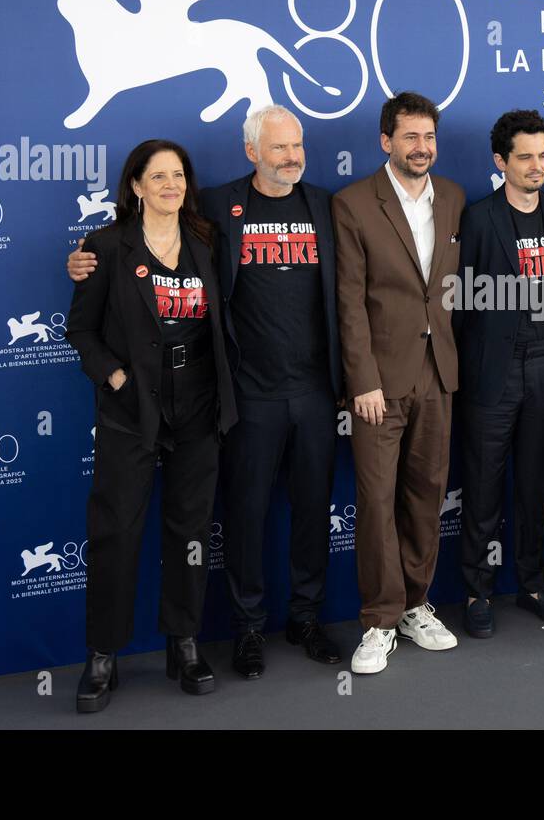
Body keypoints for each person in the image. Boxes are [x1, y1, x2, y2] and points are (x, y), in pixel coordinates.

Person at [69, 105, 344, 678]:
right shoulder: (201, 216)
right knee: (167, 526)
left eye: (297, 146)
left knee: (267, 518)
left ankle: (260, 628)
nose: (290, 157)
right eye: (278, 148)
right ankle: (141, 648)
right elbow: (91, 313)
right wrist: (81, 267)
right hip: (203, 400)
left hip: (265, 397)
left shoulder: (310, 209)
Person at [66, 140, 237, 713]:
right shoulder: (106, 248)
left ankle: (183, 642)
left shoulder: (207, 242)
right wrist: (115, 378)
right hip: (130, 409)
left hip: (199, 405)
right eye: (158, 176)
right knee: (116, 531)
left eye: (179, 175)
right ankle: (103, 655)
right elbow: (81, 331)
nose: (171, 184)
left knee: (190, 531)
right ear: (135, 186)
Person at [333, 92, 466, 674]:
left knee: (426, 496)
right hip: (379, 385)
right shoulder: (354, 203)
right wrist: (361, 379)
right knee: (376, 501)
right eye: (410, 137)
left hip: (439, 375)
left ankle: (416, 604)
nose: (422, 148)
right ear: (386, 141)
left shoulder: (456, 198)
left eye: (429, 137)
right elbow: (350, 302)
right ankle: (379, 619)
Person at [455, 109, 544, 637]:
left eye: (542, 155)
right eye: (524, 156)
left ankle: (531, 584)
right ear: (500, 161)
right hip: (493, 374)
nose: (535, 165)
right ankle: (477, 592)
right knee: (482, 489)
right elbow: (458, 298)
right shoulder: (478, 218)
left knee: (533, 485)